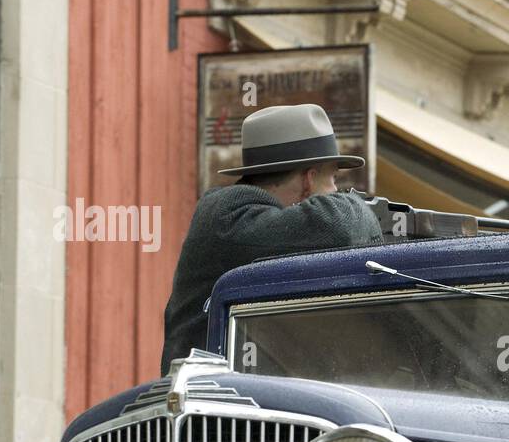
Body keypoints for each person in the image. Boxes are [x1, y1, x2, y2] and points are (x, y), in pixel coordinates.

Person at [160, 103, 384, 373]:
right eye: (333, 179)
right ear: (309, 180)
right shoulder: (228, 217)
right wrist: (363, 209)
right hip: (209, 405)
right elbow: (339, 226)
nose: (336, 190)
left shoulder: (256, 223)